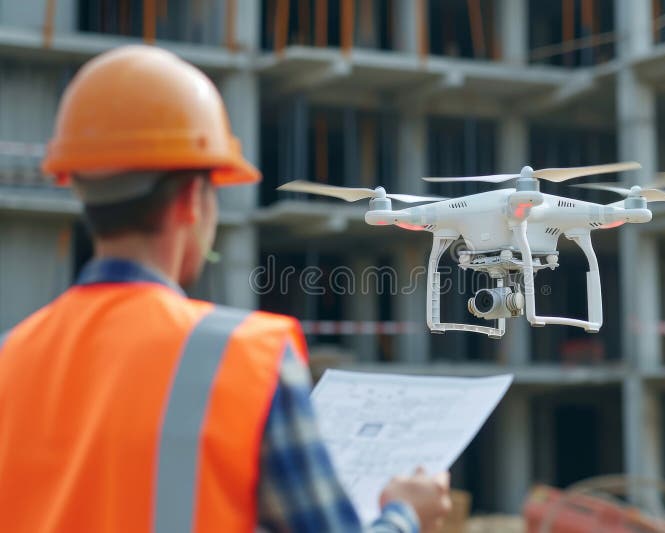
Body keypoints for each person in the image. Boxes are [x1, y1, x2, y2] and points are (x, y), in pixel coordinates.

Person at [0, 45, 451, 533]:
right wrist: (406, 514)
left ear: (80, 188)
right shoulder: (243, 357)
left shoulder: (12, 357)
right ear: (194, 199)